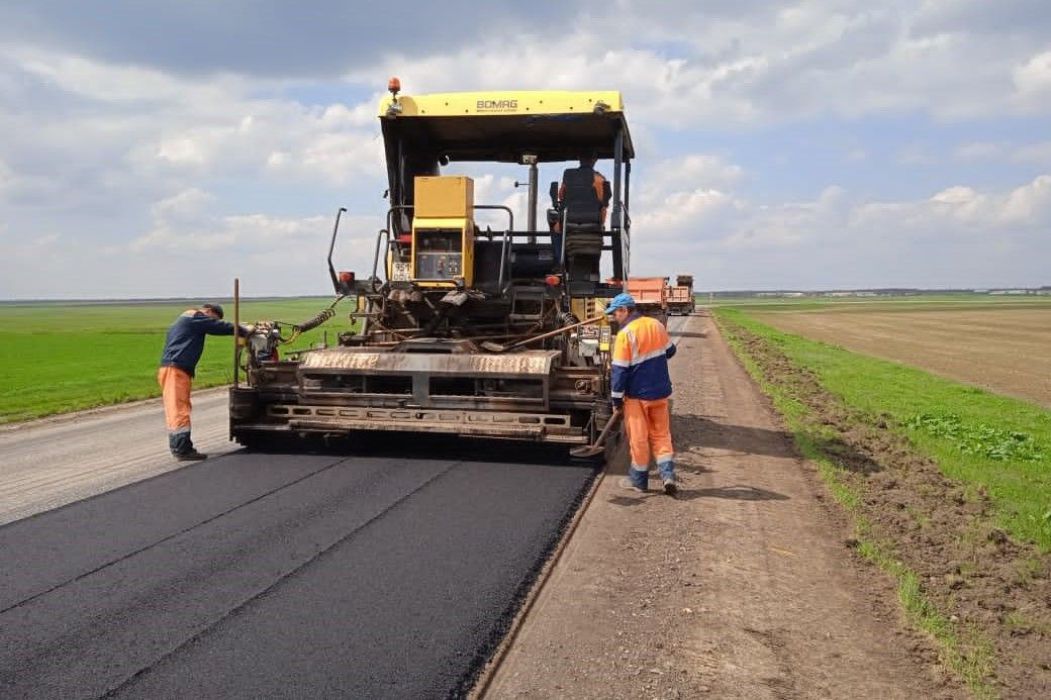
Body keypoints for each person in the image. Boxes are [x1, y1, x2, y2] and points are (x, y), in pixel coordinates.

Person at [605, 292, 678, 495]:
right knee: (662, 435)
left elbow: (619, 371)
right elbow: (670, 351)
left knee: (638, 439)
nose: (615, 318)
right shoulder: (656, 325)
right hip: (660, 392)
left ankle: (638, 482)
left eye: (615, 313)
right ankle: (668, 475)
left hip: (637, 396)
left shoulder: (625, 334)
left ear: (625, 310)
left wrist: (616, 400)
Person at [158, 303, 249, 460]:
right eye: (214, 318)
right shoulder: (194, 317)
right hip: (176, 370)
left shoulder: (186, 320)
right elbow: (217, 326)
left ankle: (180, 446)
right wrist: (243, 329)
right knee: (179, 410)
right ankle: (182, 449)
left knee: (180, 407)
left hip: (175, 369)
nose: (213, 321)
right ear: (209, 311)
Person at [553, 152, 613, 259]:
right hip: (594, 221)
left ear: (579, 158)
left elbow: (561, 196)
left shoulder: (568, 175)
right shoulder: (600, 179)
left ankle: (558, 260)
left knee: (556, 228)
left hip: (568, 221)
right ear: (595, 160)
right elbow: (606, 201)